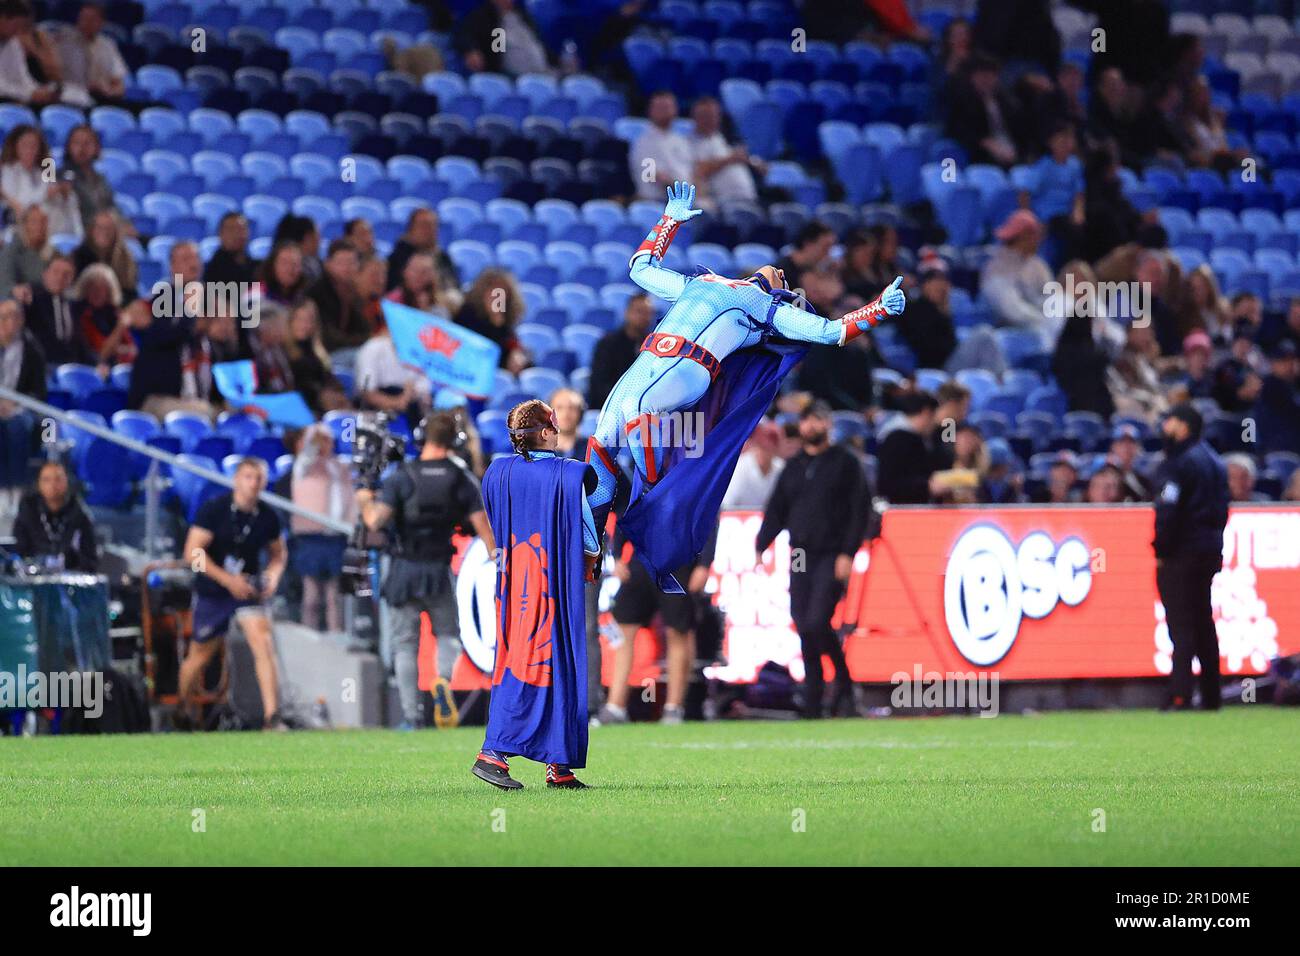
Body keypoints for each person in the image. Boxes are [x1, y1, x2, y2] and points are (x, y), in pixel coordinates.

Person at [584, 182, 905, 591]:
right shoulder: (701, 282)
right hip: (648, 360)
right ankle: (590, 545)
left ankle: (653, 496)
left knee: (639, 416)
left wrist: (878, 309)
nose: (780, 271)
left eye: (785, 279)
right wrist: (670, 220)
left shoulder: (767, 309)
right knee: (601, 443)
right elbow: (640, 268)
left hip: (687, 366)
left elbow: (831, 331)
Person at [473, 399, 598, 790]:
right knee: (553, 664)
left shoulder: (496, 472)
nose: (559, 435)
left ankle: (557, 764)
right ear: (545, 432)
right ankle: (493, 753)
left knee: (516, 661)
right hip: (552, 585)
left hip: (513, 587)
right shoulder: (567, 475)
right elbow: (587, 533)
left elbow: (496, 520)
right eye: (554, 428)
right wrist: (593, 557)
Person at [356, 412, 493, 730]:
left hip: (403, 569)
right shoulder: (461, 478)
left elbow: (375, 521)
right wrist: (495, 555)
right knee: (448, 635)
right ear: (453, 440)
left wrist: (364, 499)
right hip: (438, 570)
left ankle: (411, 715)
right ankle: (442, 679)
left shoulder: (402, 476)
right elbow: (483, 528)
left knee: (405, 644)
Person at [755, 402, 869, 718]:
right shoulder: (794, 465)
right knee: (805, 623)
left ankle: (834, 687)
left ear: (828, 425)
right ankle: (820, 695)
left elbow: (859, 510)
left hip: (831, 552)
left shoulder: (845, 463)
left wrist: (848, 553)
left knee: (818, 620)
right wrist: (761, 543)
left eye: (818, 419)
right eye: (806, 420)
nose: (810, 426)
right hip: (801, 553)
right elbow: (778, 508)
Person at [179, 458, 288, 730]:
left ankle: (272, 717)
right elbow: (193, 554)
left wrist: (273, 576)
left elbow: (278, 553)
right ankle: (183, 707)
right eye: (248, 477)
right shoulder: (214, 510)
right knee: (201, 654)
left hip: (247, 589)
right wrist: (227, 580)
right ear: (237, 479)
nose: (254, 483)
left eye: (259, 478)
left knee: (263, 642)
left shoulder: (267, 516)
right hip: (214, 589)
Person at [1153, 404, 1229, 711]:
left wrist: (1162, 549)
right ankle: (1212, 695)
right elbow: (1223, 509)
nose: (1164, 428)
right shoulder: (1215, 461)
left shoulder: (1179, 462)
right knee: (1203, 622)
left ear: (1183, 426)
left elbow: (1168, 510)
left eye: (1169, 422)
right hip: (1208, 550)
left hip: (1182, 552)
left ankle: (1180, 693)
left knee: (1181, 625)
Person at [290, 423, 354, 632]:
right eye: (321, 440)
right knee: (311, 596)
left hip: (337, 536)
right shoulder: (304, 466)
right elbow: (306, 456)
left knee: (334, 595)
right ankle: (309, 636)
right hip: (312, 537)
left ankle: (336, 636)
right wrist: (314, 440)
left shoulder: (340, 466)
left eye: (328, 440)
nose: (325, 445)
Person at [980, 209, 1053, 348]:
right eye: (1034, 234)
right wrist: (1045, 320)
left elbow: (1051, 299)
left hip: (1040, 327)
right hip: (1005, 334)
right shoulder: (996, 267)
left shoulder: (1038, 265)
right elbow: (1011, 311)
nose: (1038, 240)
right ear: (1023, 236)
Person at [0, 297, 45, 513]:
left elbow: (39, 392)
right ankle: (1, 490)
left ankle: (16, 489)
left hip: (21, 408)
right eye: (3, 317)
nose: (9, 322)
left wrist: (15, 403)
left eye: (14, 316)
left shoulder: (32, 349)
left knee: (18, 427)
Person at [12, 459, 97, 571]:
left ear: (66, 481)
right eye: (47, 480)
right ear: (39, 483)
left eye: (58, 479)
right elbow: (19, 550)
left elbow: (89, 560)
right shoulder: (28, 512)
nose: (53, 485)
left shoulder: (80, 515)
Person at [0, 125, 81, 237]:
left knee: (68, 202)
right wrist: (45, 194)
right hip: (20, 227)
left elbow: (57, 196)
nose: (29, 150)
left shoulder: (47, 166)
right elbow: (20, 206)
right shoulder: (9, 170)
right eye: (25, 145)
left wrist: (64, 194)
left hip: (50, 222)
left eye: (34, 146)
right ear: (16, 147)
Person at [688, 95, 761, 206]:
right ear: (695, 117)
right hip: (723, 200)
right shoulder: (690, 142)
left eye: (713, 115)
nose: (710, 120)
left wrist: (754, 163)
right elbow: (699, 170)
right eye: (705, 116)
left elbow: (742, 156)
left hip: (749, 196)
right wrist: (730, 159)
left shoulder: (722, 138)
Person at [586, 291, 652, 409]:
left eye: (648, 313)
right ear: (627, 313)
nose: (644, 317)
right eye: (639, 311)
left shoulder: (653, 346)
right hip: (608, 408)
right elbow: (599, 384)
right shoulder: (607, 344)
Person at [52, 3, 125, 104]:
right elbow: (56, 77)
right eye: (83, 18)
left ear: (101, 22)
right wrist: (88, 86)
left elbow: (118, 83)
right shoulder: (65, 42)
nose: (85, 23)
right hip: (72, 94)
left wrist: (109, 93)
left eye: (91, 19)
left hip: (102, 97)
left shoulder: (108, 45)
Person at [24, 254, 90, 365]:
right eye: (56, 272)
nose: (60, 278)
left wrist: (98, 364)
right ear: (45, 274)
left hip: (69, 366)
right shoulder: (31, 300)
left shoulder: (72, 306)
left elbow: (79, 344)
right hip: (41, 366)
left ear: (72, 279)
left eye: (66, 274)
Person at [455, 0, 551, 76]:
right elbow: (464, 35)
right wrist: (470, 50)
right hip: (510, 76)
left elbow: (538, 42)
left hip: (543, 72)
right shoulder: (485, 18)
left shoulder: (522, 15)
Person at [876, 390, 941, 503]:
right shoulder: (896, 439)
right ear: (926, 413)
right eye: (933, 416)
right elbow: (888, 484)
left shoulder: (918, 438)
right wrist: (927, 486)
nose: (934, 423)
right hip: (900, 510)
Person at [630, 90, 694, 203]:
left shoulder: (681, 140)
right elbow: (649, 175)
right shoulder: (643, 142)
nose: (666, 111)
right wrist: (676, 188)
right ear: (650, 111)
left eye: (669, 107)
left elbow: (692, 169)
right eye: (661, 108)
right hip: (657, 199)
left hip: (686, 197)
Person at [309, 239, 368, 353]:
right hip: (321, 353)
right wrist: (367, 340)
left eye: (352, 262)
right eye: (341, 263)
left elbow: (362, 328)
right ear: (328, 264)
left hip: (346, 349)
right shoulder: (317, 292)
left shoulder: (354, 291)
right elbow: (329, 339)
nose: (347, 268)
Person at [1252, 340, 1300, 455]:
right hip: (1278, 449)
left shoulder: (1292, 384)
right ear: (1273, 364)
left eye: (1291, 360)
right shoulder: (1270, 385)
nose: (1289, 365)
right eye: (1283, 361)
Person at [0, 205, 51, 301]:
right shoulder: (11, 252)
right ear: (24, 225)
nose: (39, 227)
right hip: (21, 304)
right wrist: (15, 290)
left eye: (43, 222)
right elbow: (4, 285)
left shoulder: (52, 253)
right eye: (34, 222)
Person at [203, 212, 257, 287]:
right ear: (221, 234)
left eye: (242, 229)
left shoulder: (256, 267)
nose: (237, 234)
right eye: (231, 229)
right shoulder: (214, 270)